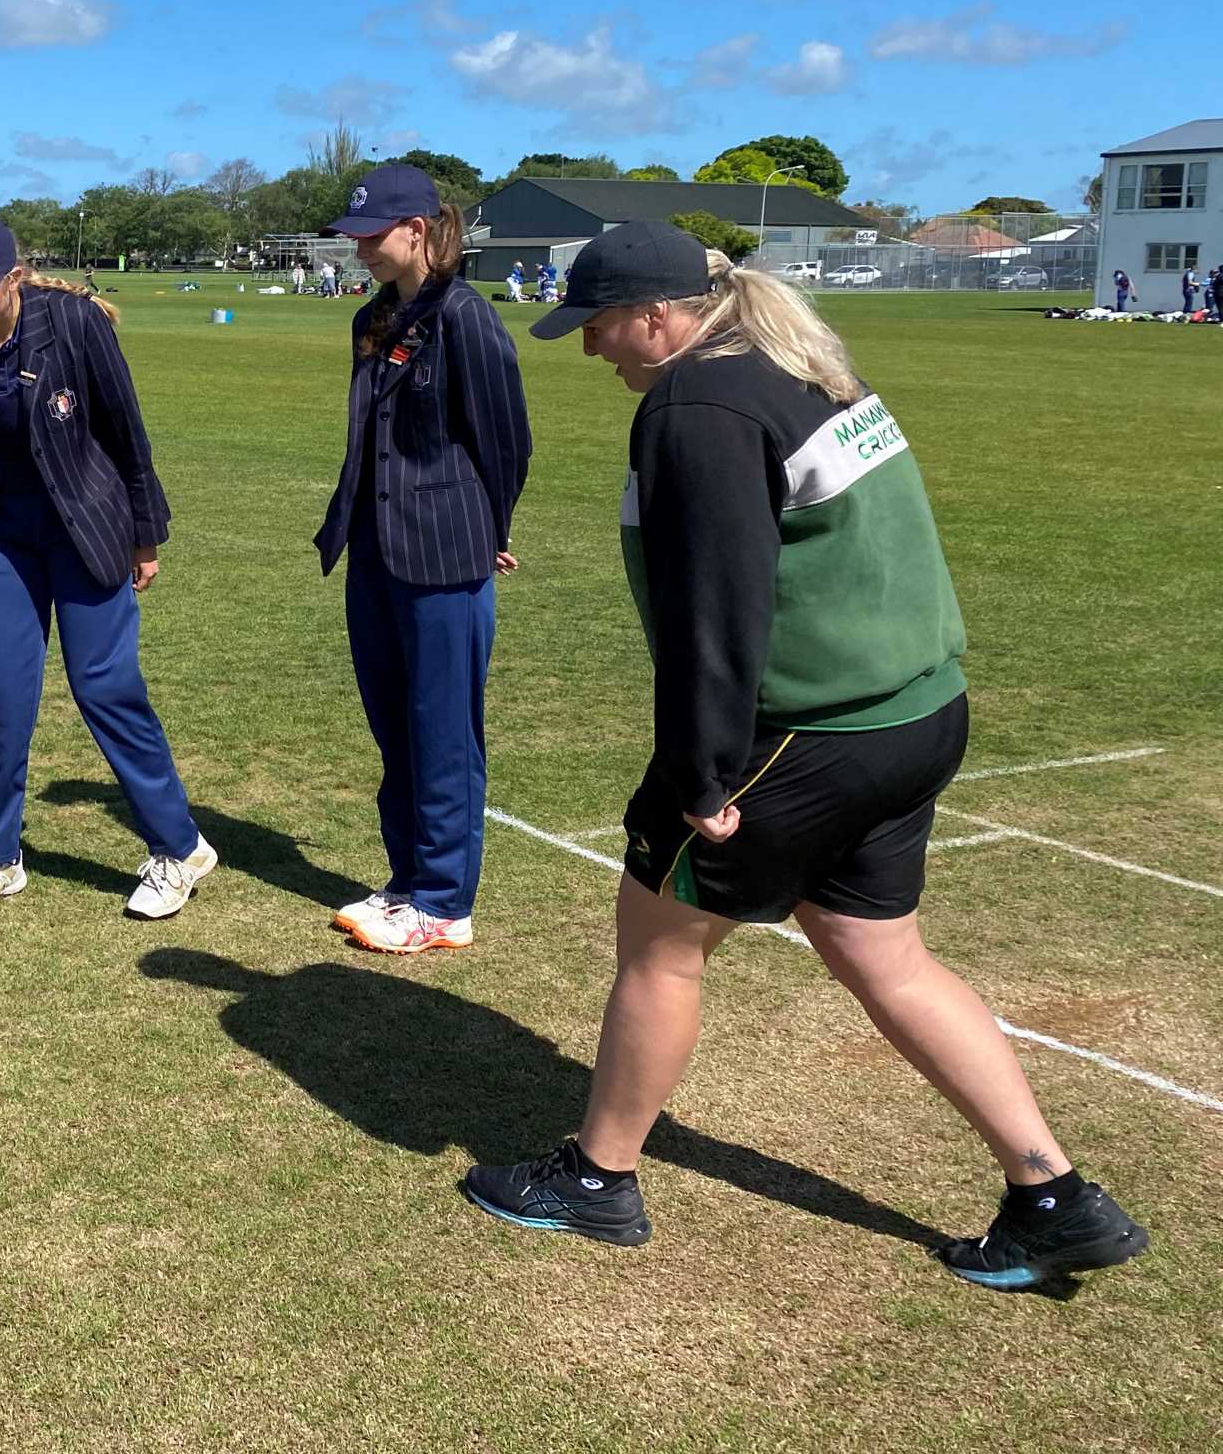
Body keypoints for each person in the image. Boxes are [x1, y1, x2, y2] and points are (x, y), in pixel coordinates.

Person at [463, 221, 1151, 1291]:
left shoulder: (698, 404)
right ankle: (1050, 1194)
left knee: (659, 943)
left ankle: (596, 1179)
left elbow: (718, 605)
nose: (593, 350)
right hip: (912, 715)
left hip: (801, 736)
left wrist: (698, 772)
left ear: (657, 314)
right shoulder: (795, 365)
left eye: (597, 326)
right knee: (884, 956)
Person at [0, 216, 218, 922]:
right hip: (6, 538)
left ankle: (180, 849)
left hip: (88, 529)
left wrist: (147, 538)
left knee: (105, 685)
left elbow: (127, 433)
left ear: (13, 279)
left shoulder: (76, 324)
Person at [314, 163, 531, 955]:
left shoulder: (466, 316)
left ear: (417, 231)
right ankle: (406, 879)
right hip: (372, 548)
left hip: (445, 553)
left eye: (373, 236)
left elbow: (506, 439)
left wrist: (490, 527)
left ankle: (445, 901)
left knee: (443, 730)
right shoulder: (371, 318)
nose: (361, 248)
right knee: (393, 726)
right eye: (354, 237)